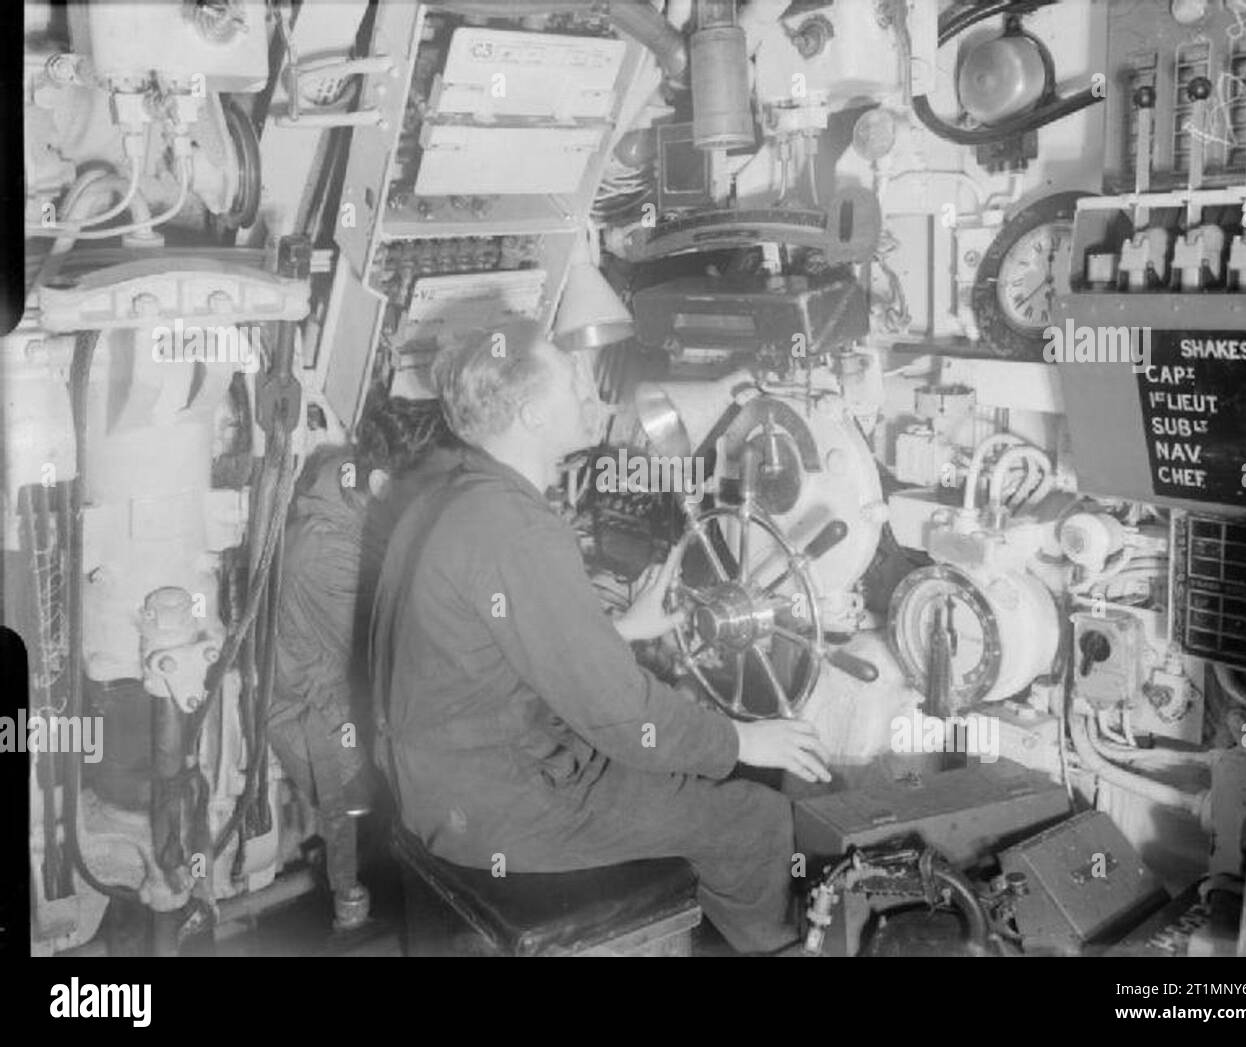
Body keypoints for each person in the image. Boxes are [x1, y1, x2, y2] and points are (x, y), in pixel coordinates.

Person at [370, 321, 831, 953]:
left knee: (681, 756)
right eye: (574, 385)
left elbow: (491, 655)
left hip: (440, 782)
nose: (594, 398)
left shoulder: (443, 499)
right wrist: (746, 739)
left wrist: (620, 630)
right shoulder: (518, 530)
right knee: (756, 819)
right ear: (532, 414)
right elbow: (625, 720)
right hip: (500, 807)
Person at [270, 390, 444, 929]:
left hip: (342, 691)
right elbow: (411, 662)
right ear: (379, 484)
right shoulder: (328, 557)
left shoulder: (352, 484)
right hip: (326, 727)